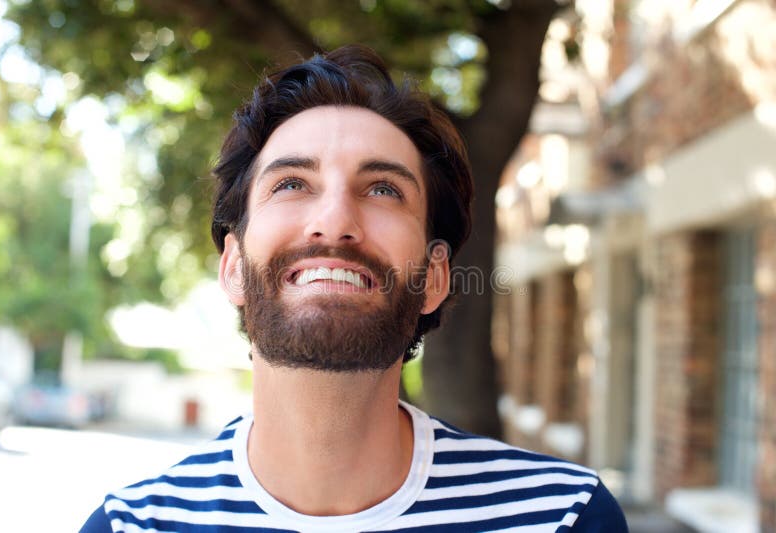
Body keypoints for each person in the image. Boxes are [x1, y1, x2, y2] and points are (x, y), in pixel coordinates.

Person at [80, 45, 627, 532]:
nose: (334, 221)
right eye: (291, 183)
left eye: (383, 189)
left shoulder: (564, 517)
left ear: (434, 277)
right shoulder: (131, 525)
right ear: (234, 266)